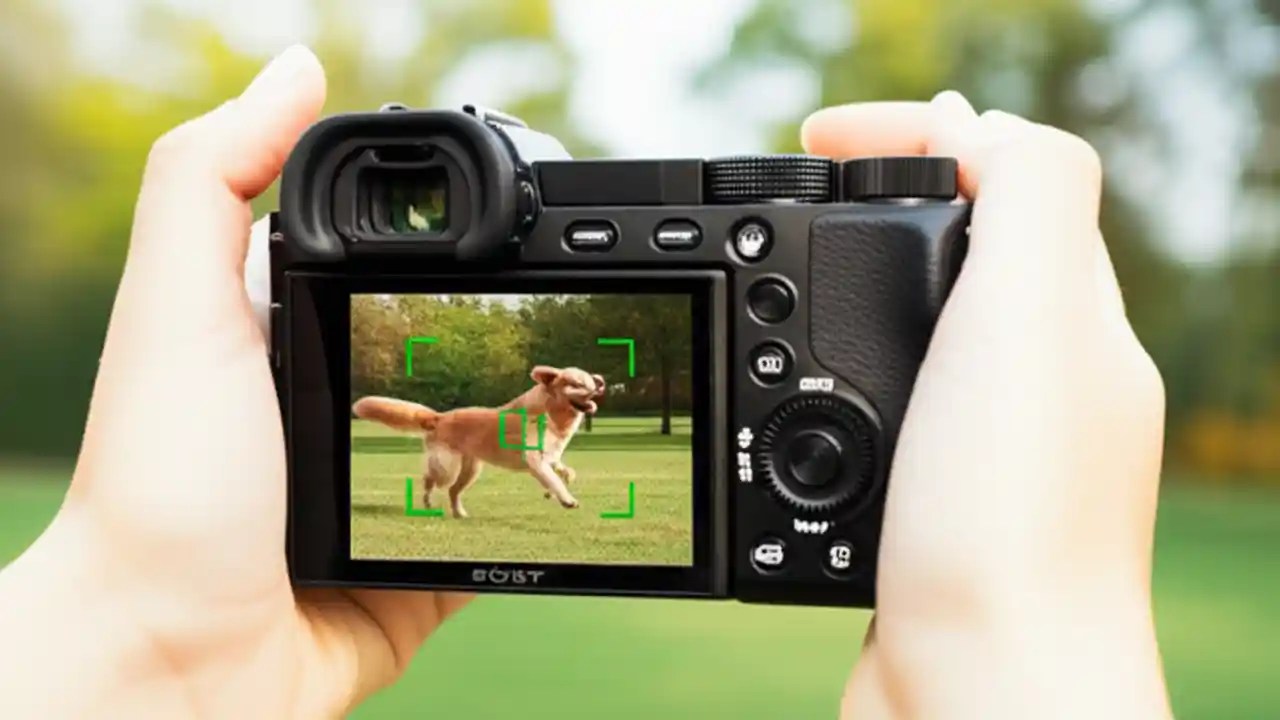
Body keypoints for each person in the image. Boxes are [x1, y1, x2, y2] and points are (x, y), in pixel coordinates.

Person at [0, 46, 1172, 719]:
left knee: (470, 475)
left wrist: (135, 645)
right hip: (451, 454)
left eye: (575, 394)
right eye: (571, 390)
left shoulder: (558, 404)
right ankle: (443, 501)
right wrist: (1016, 658)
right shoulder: (521, 413)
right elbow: (522, 435)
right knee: (448, 472)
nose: (577, 399)